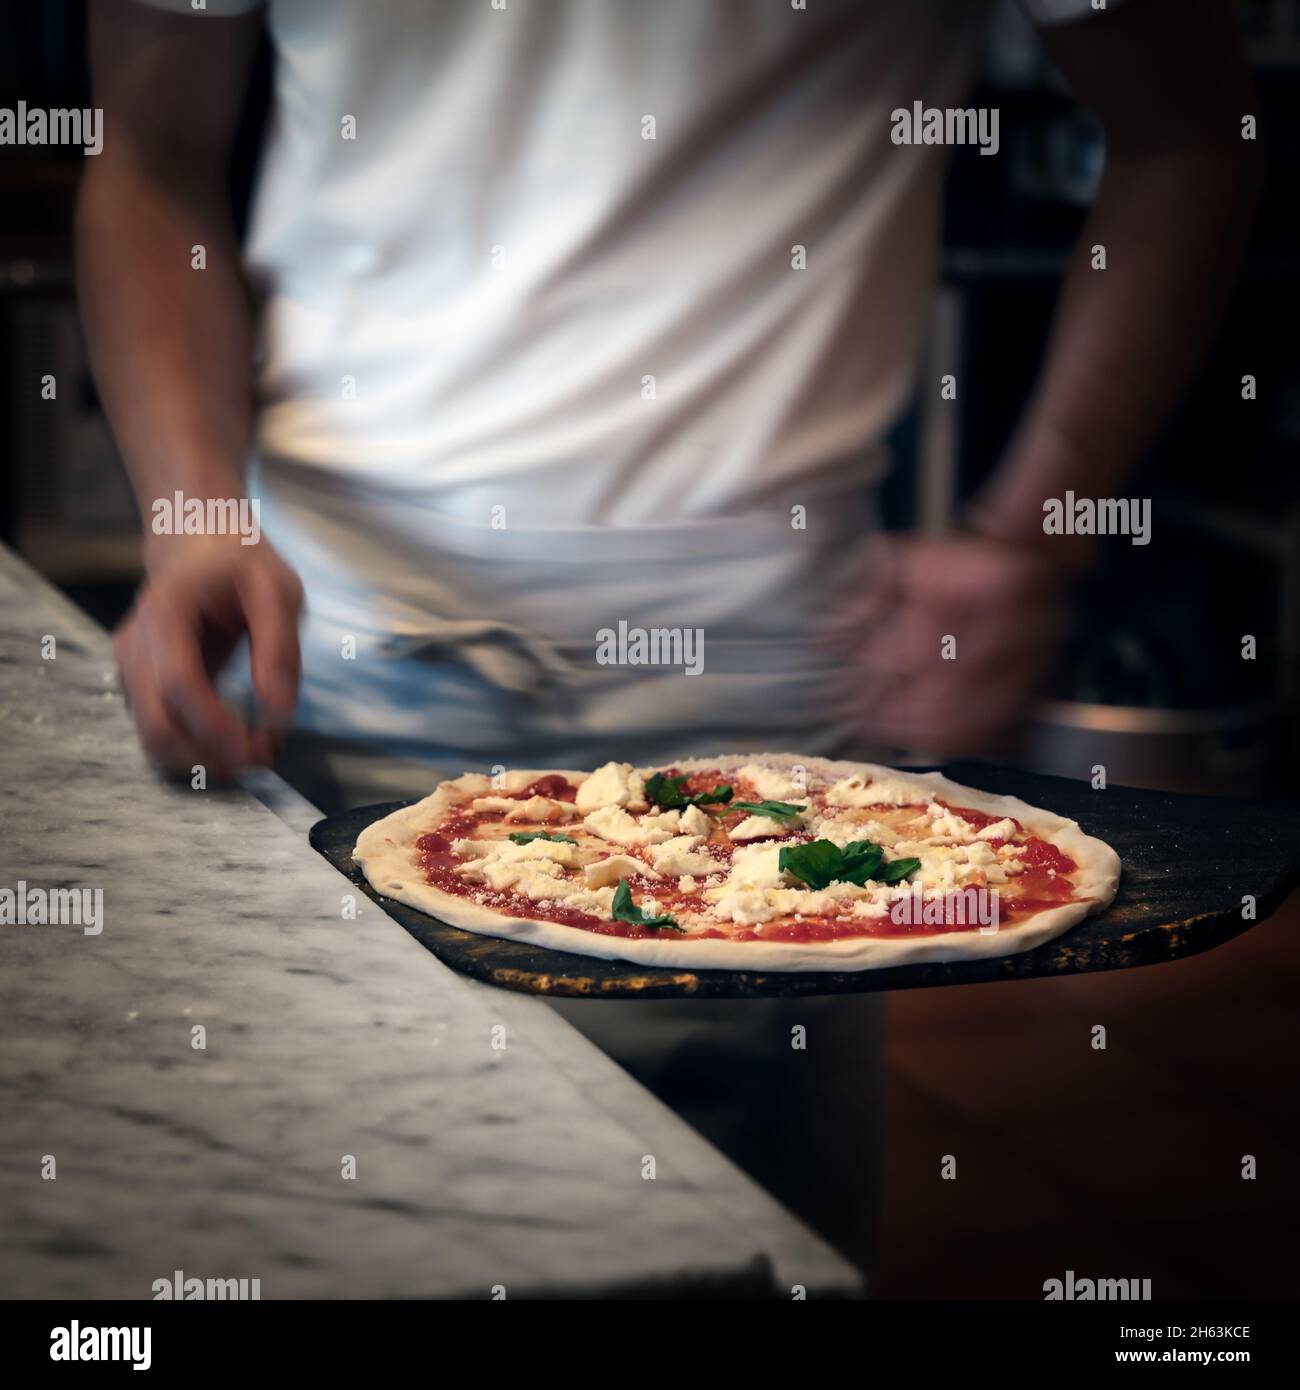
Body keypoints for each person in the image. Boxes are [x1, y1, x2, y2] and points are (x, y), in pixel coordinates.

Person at [80, 0, 1261, 1276]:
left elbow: (1191, 128)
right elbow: (150, 150)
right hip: (322, 672)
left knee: (728, 1269)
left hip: (785, 761)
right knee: (324, 1245)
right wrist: (192, 514)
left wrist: (1035, 526)